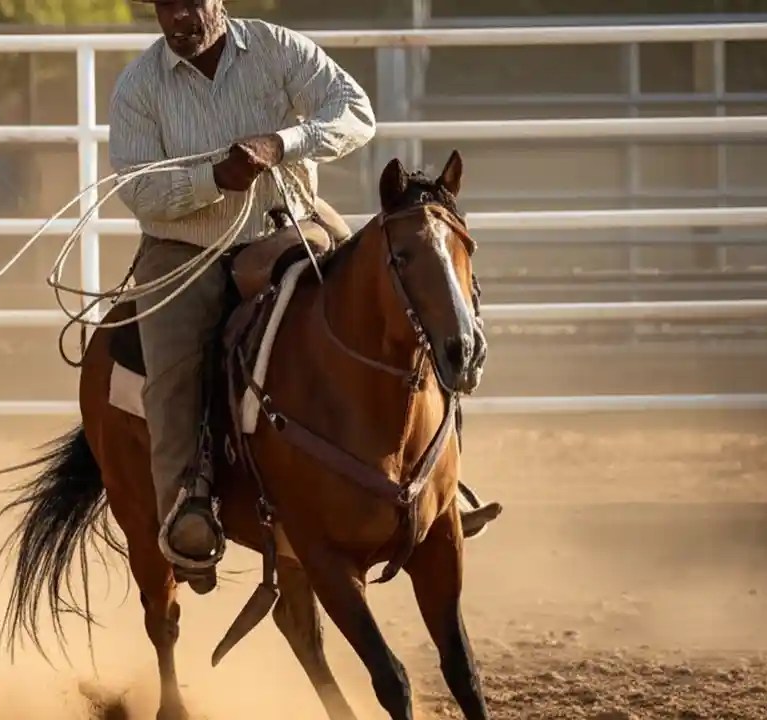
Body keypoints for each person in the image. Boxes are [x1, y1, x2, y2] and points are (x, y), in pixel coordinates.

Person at [108, 0, 502, 576]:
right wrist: (213, 179)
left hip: (291, 223)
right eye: (166, 6)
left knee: (396, 302)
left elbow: (354, 113)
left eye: (190, 2)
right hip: (187, 249)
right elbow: (139, 190)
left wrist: (281, 144)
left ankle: (436, 478)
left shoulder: (275, 48)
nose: (178, 19)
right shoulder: (139, 86)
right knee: (172, 368)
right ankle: (187, 503)